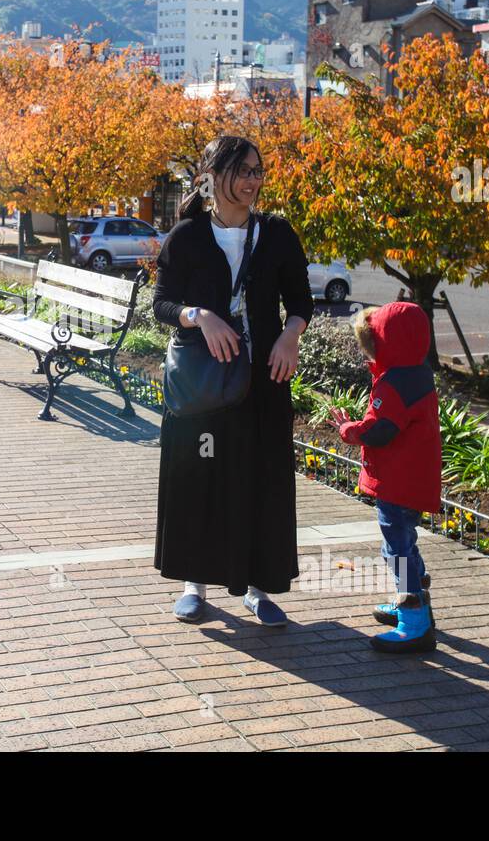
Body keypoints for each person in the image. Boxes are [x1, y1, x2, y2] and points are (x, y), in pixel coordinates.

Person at [153, 135, 314, 627]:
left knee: (262, 479)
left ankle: (260, 588)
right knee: (200, 476)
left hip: (265, 380)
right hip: (205, 385)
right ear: (213, 175)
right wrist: (200, 316)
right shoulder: (187, 236)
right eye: (242, 170)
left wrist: (290, 337)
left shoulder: (278, 233)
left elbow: (301, 302)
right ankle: (194, 585)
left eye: (257, 171)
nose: (252, 180)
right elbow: (162, 306)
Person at [331, 303, 443, 654]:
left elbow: (381, 431)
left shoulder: (393, 385)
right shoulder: (419, 376)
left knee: (397, 549)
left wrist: (348, 429)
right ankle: (416, 601)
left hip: (397, 482)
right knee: (404, 542)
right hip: (413, 479)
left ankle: (414, 622)